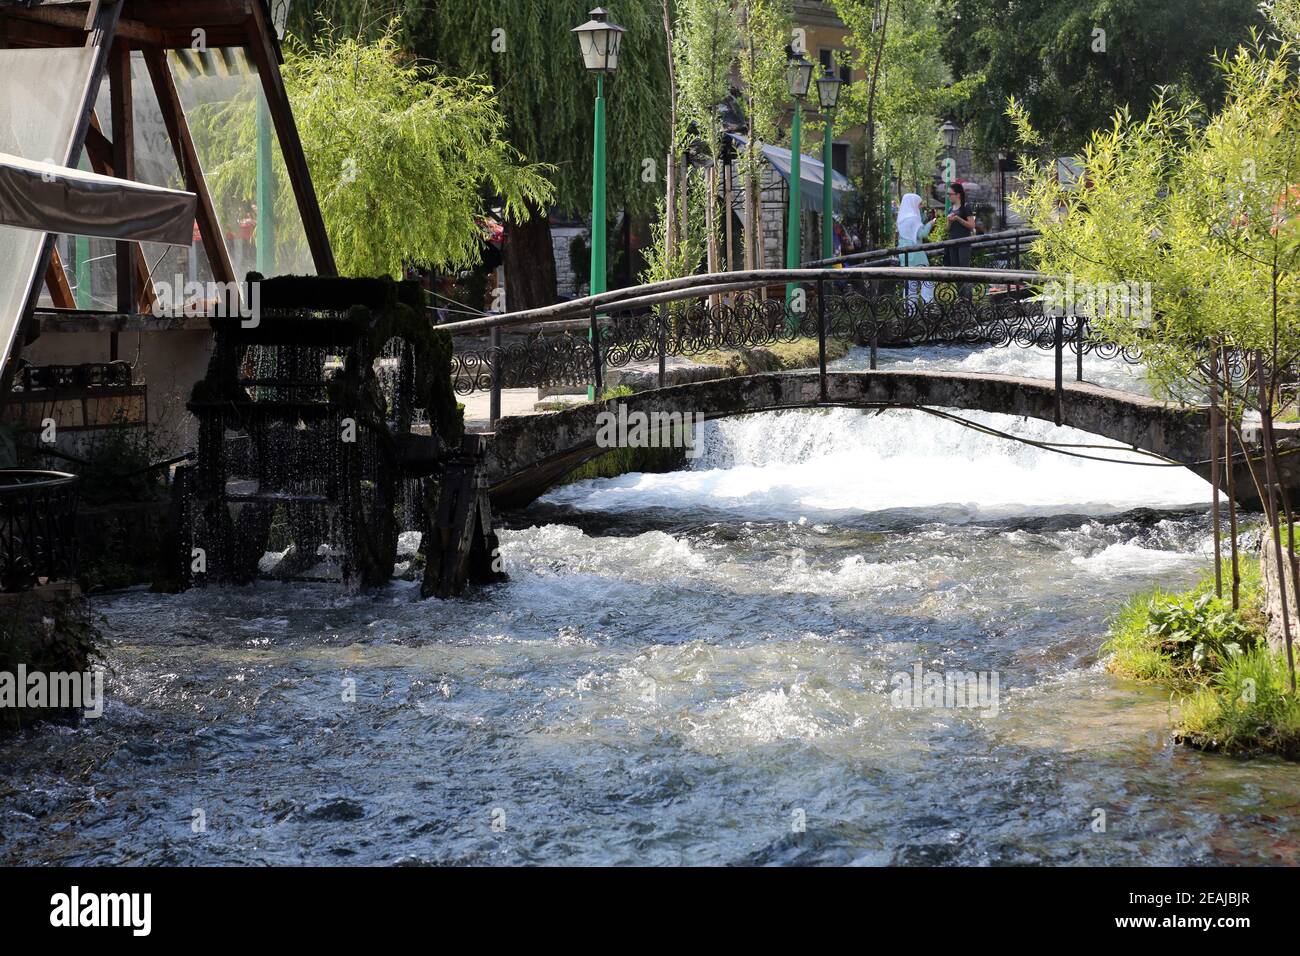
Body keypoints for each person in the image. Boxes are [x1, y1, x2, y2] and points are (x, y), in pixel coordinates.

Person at [896, 192, 935, 304]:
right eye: (919, 204)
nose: (920, 206)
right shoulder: (913, 218)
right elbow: (921, 234)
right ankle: (928, 305)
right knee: (927, 280)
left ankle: (910, 311)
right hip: (915, 252)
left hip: (903, 252)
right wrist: (930, 224)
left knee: (910, 284)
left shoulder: (901, 219)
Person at [944, 182, 977, 300]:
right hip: (953, 244)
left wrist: (958, 218)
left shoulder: (965, 207)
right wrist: (949, 221)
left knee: (964, 270)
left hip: (964, 244)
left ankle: (968, 300)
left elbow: (972, 225)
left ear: (958, 194)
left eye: (950, 194)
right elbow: (947, 229)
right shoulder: (949, 209)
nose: (948, 196)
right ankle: (960, 299)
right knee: (956, 271)